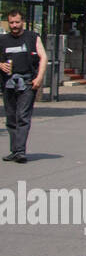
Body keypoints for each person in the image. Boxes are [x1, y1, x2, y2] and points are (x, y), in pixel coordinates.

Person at [1, 8, 46, 163]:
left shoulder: (32, 37)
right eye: (11, 22)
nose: (14, 25)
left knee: (22, 116)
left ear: (23, 22)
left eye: (17, 22)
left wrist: (39, 78)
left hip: (27, 83)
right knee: (11, 118)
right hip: (8, 84)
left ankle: (20, 151)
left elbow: (43, 57)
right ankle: (14, 150)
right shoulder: (3, 40)